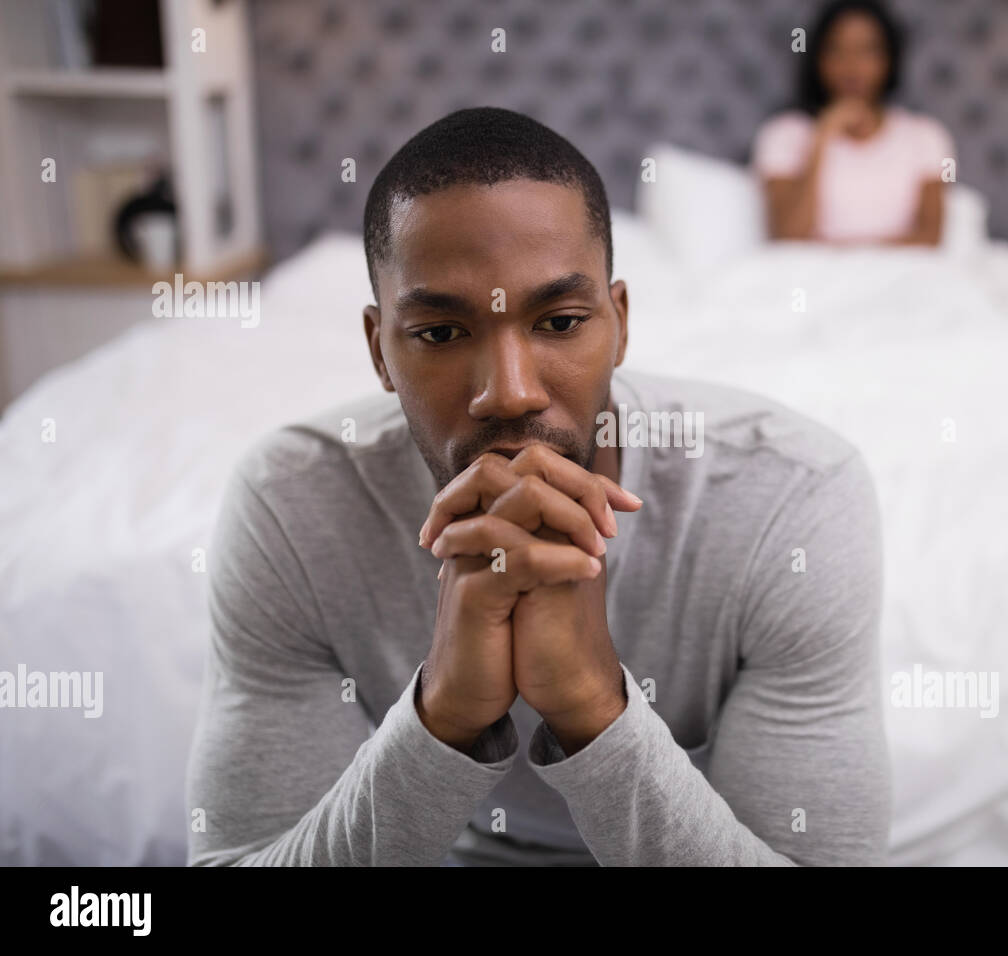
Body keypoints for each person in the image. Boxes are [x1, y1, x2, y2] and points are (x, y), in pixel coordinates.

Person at [184, 106, 889, 866]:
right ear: (378, 350)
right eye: (441, 333)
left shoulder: (793, 500)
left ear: (617, 323)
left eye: (558, 321)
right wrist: (442, 717)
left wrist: (595, 708)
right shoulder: (290, 507)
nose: (510, 393)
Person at [753, 0, 955, 245]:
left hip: (900, 275)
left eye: (867, 50)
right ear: (817, 58)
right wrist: (822, 138)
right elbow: (788, 237)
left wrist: (847, 253)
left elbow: (930, 238)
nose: (852, 66)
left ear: (889, 59)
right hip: (811, 276)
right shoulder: (783, 135)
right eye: (836, 49)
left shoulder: (927, 137)